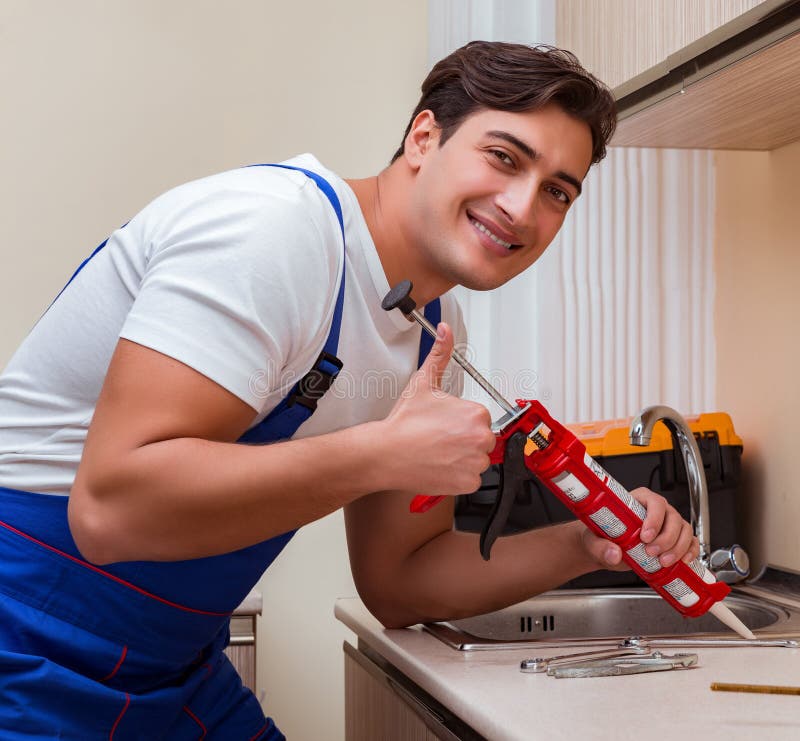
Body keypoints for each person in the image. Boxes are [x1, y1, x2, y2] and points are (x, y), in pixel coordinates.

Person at [0, 41, 699, 739]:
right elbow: (110, 512)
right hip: (22, 631)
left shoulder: (432, 331)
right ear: (423, 138)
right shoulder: (277, 233)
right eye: (504, 157)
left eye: (557, 192)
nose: (522, 207)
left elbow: (399, 580)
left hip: (169, 666)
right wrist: (380, 454)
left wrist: (586, 543)